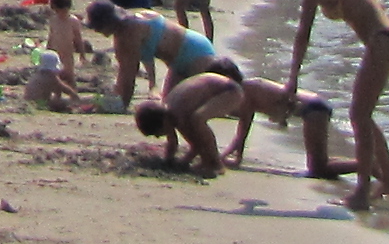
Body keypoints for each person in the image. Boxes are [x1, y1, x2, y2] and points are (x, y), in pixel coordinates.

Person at [262, 0, 389, 211]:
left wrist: (292, 81)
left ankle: (361, 193)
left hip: (382, 41)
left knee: (359, 116)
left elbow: (303, 35)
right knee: (364, 116)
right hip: (387, 39)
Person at [131, 71, 328, 177]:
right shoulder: (170, 113)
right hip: (220, 87)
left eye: (158, 133)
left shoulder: (178, 111)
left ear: (163, 121)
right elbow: (175, 144)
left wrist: (185, 162)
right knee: (195, 123)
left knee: (197, 120)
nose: (160, 137)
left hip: (229, 90)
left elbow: (195, 142)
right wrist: (172, 162)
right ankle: (211, 162)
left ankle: (215, 165)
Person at [82, 0, 233, 106]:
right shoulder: (132, 20)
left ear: (108, 23)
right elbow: (127, 70)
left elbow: (128, 74)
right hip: (180, 60)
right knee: (169, 105)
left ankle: (250, 99)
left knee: (219, 99)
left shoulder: (129, 34)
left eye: (97, 27)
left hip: (195, 54)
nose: (96, 30)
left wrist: (121, 104)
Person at [29, 0, 89, 111]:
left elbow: (78, 39)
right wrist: (47, 51)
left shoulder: (73, 21)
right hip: (55, 54)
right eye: (58, 11)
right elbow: (51, 36)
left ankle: (75, 100)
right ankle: (58, 100)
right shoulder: (53, 20)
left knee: (70, 78)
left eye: (64, 11)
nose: (61, 13)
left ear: (68, 8)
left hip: (68, 55)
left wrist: (82, 54)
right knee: (56, 79)